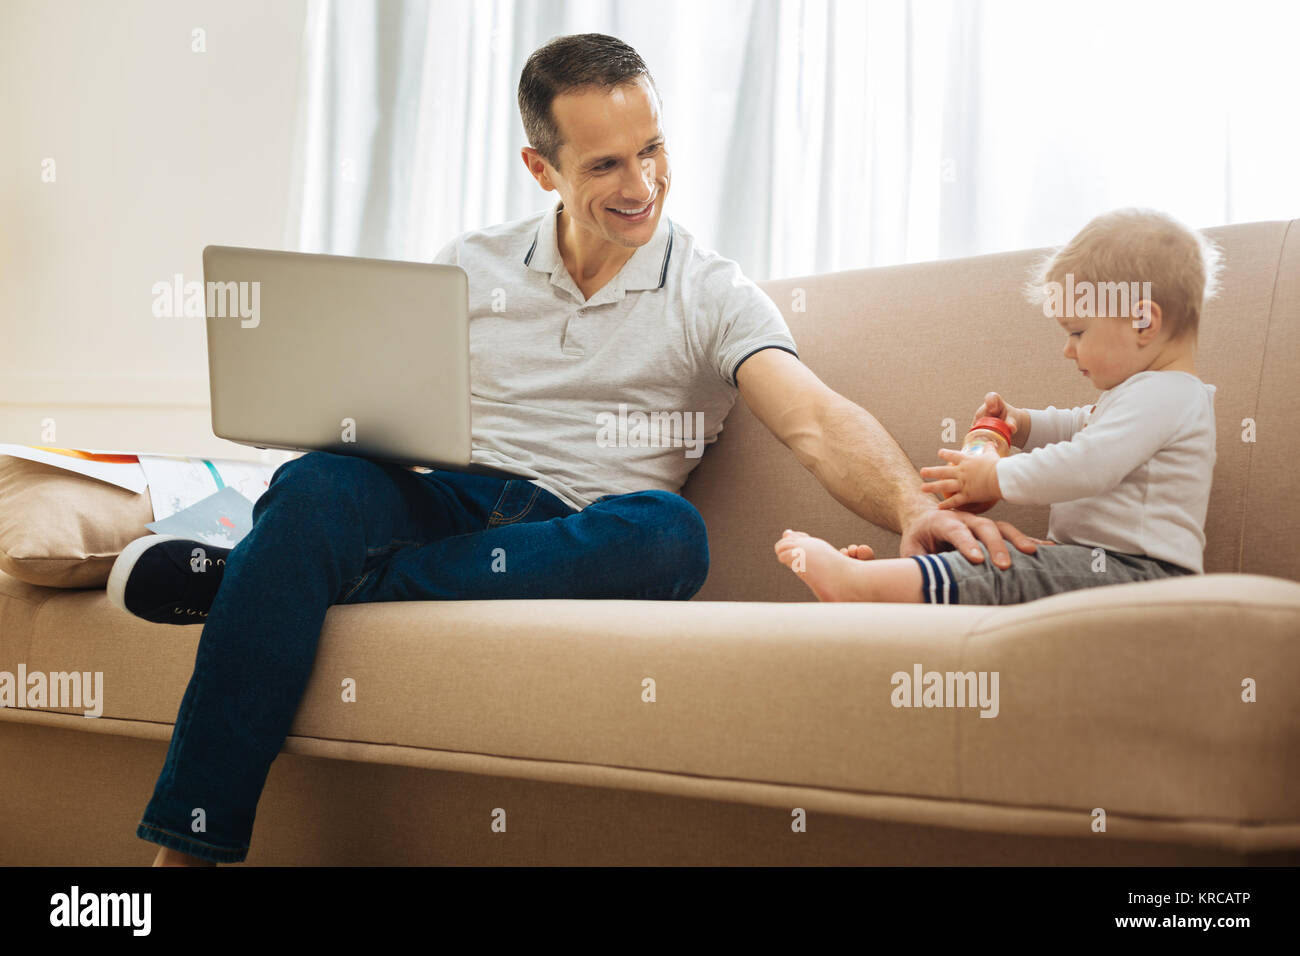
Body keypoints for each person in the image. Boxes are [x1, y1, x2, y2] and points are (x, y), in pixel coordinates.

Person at [109, 32, 1039, 866]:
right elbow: (378, 413)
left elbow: (814, 417)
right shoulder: (467, 264)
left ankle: (275, 579)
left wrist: (915, 507)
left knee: (671, 535)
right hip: (450, 500)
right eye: (605, 164)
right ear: (540, 167)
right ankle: (188, 852)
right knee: (316, 481)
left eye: (652, 150)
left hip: (578, 529)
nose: (640, 186)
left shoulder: (711, 292)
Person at [775, 208, 1219, 605]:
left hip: (1140, 577)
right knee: (1000, 559)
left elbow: (1089, 463)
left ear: (1143, 321)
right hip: (1100, 563)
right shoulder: (1142, 396)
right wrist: (1022, 424)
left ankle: (860, 584)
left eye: (1078, 332)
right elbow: (1078, 426)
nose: (1068, 350)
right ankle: (885, 586)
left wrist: (996, 476)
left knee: (1006, 572)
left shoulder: (1166, 396)